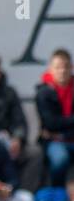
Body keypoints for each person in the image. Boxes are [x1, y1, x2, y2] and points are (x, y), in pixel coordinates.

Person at [36, 49, 74, 186]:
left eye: (66, 67)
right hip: (54, 141)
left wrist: (62, 132)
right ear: (50, 69)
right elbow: (50, 123)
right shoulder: (44, 92)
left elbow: (55, 124)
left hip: (65, 137)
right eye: (58, 67)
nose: (62, 71)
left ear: (71, 68)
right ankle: (57, 190)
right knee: (60, 159)